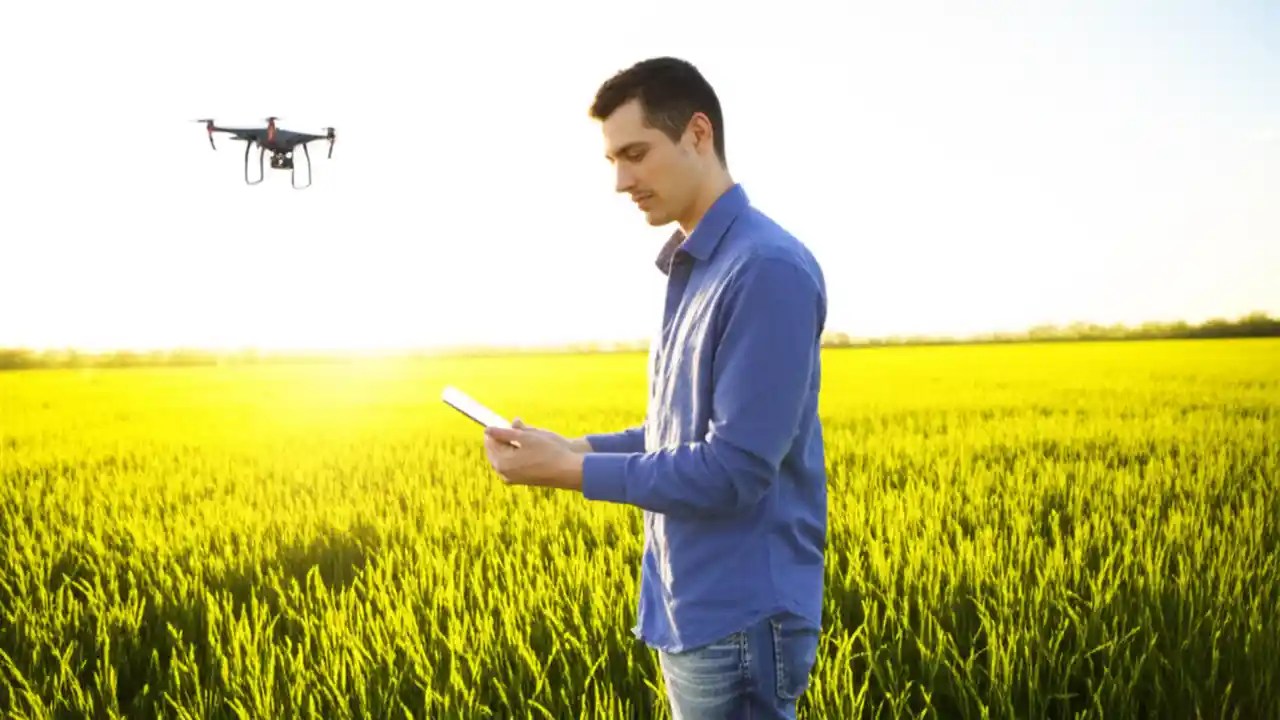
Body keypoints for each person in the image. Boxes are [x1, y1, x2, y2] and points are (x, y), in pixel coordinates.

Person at [482, 56, 828, 719]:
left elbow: (734, 470)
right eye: (612, 160)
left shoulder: (766, 271)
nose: (620, 181)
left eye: (635, 154)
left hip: (738, 616)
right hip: (692, 604)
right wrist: (574, 447)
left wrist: (571, 474)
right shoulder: (698, 267)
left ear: (698, 133)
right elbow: (680, 434)